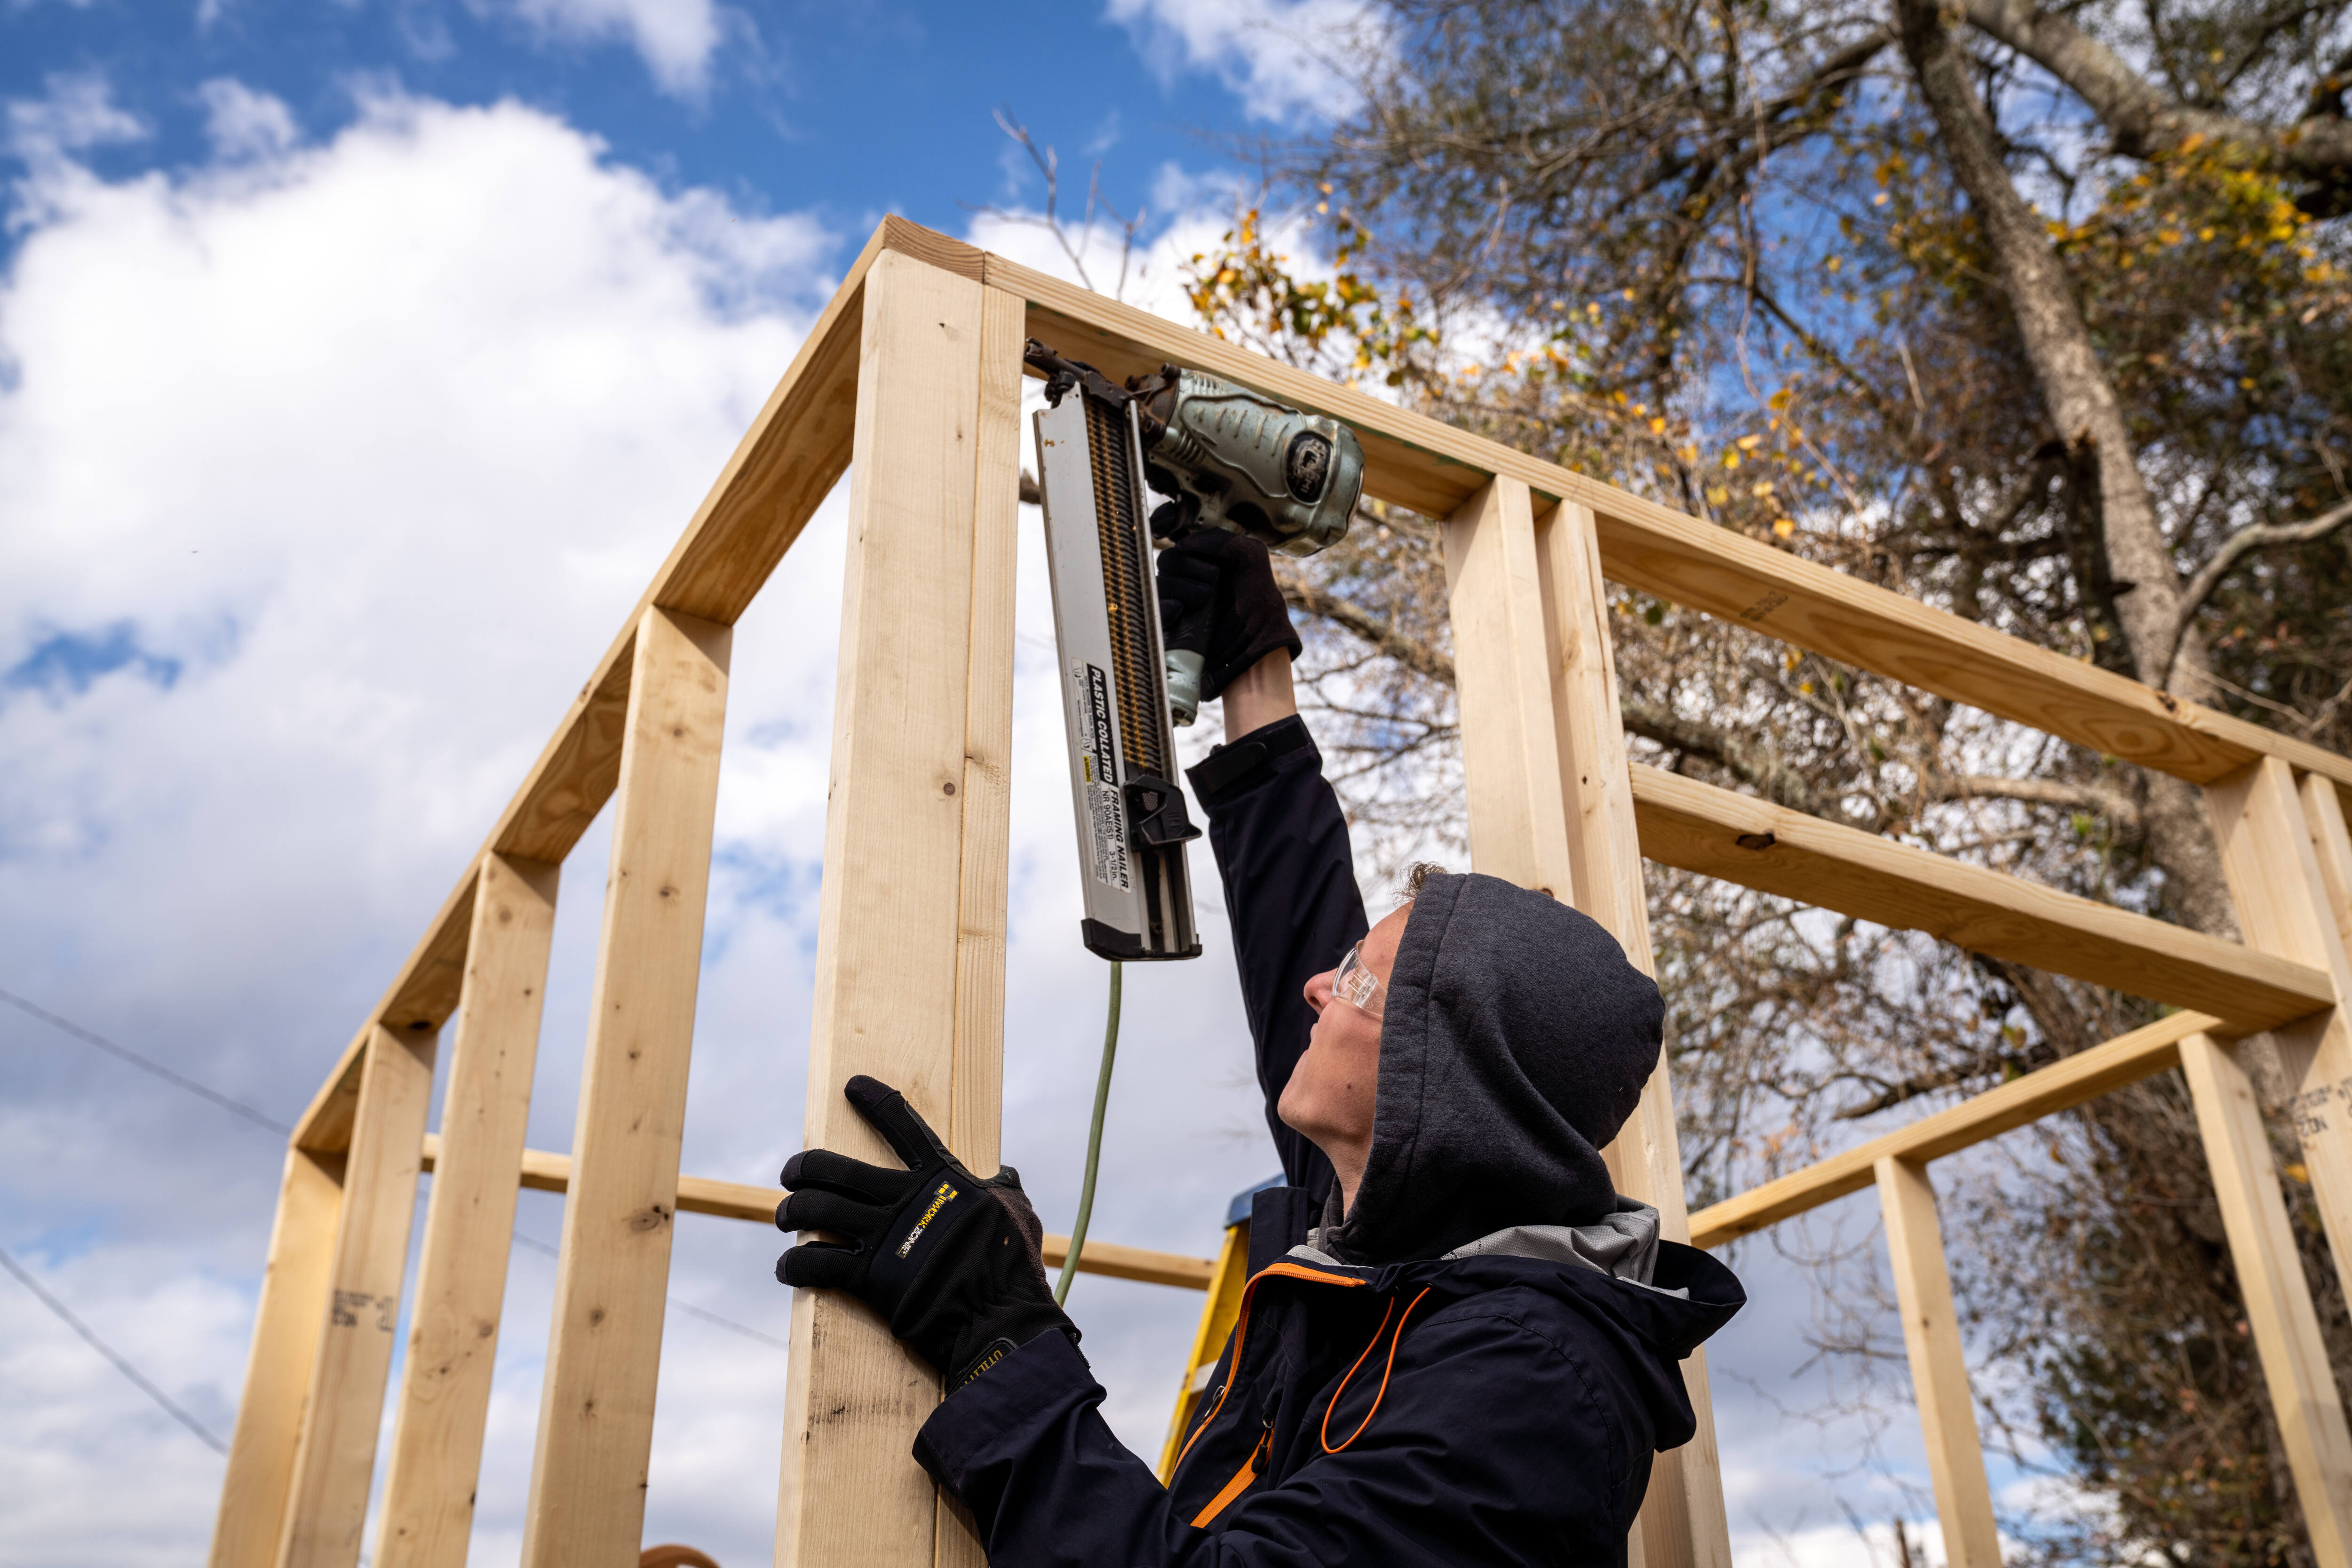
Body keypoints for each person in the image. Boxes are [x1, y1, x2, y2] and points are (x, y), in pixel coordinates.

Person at [774, 530, 1746, 1566]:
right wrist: (1255, 676)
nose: (1319, 984)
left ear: (1437, 1080)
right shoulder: (1399, 1249)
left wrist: (996, 1338)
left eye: (1359, 979)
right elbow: (1304, 938)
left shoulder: (1529, 1381)